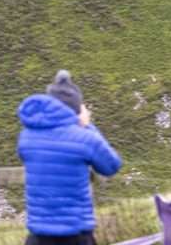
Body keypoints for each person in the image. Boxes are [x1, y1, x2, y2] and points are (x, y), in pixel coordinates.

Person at [17, 70, 123, 245]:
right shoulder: (84, 138)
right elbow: (111, 166)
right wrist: (87, 125)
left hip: (38, 236)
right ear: (76, 108)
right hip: (76, 235)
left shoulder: (26, 137)